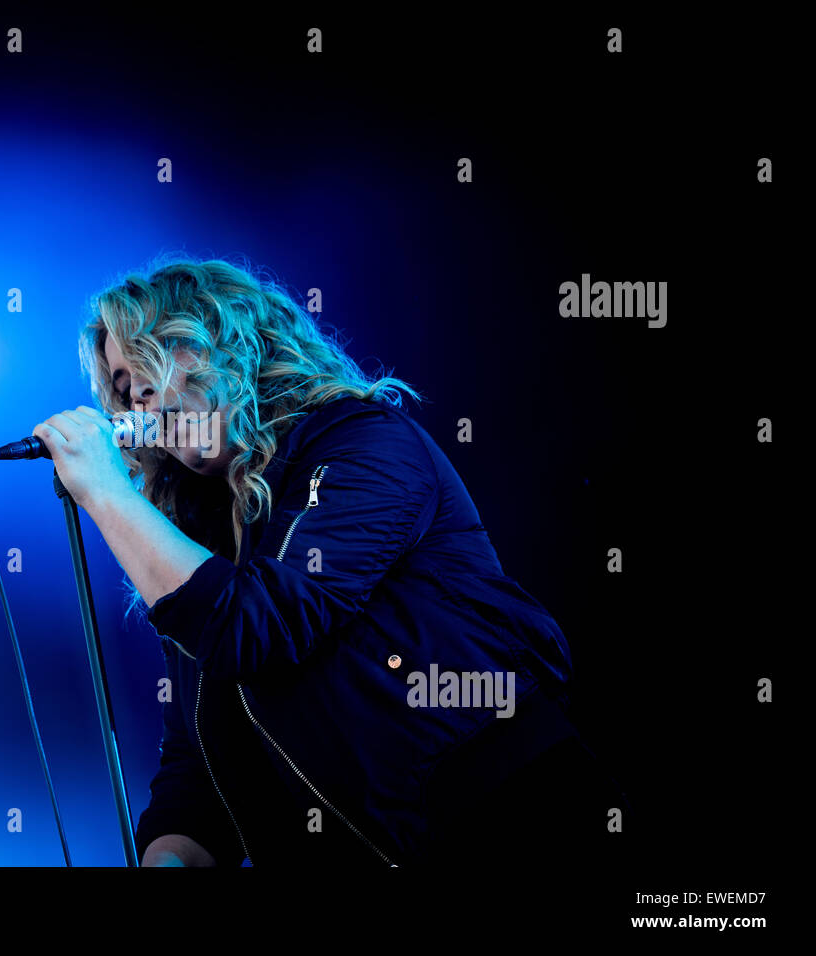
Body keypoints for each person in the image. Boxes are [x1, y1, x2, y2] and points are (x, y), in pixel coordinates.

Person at [31, 256, 629, 869]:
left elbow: (259, 624)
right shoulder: (196, 543)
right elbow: (196, 763)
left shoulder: (363, 442)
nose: (135, 395)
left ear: (231, 341)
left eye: (152, 356)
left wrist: (108, 495)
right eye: (123, 382)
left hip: (516, 824)